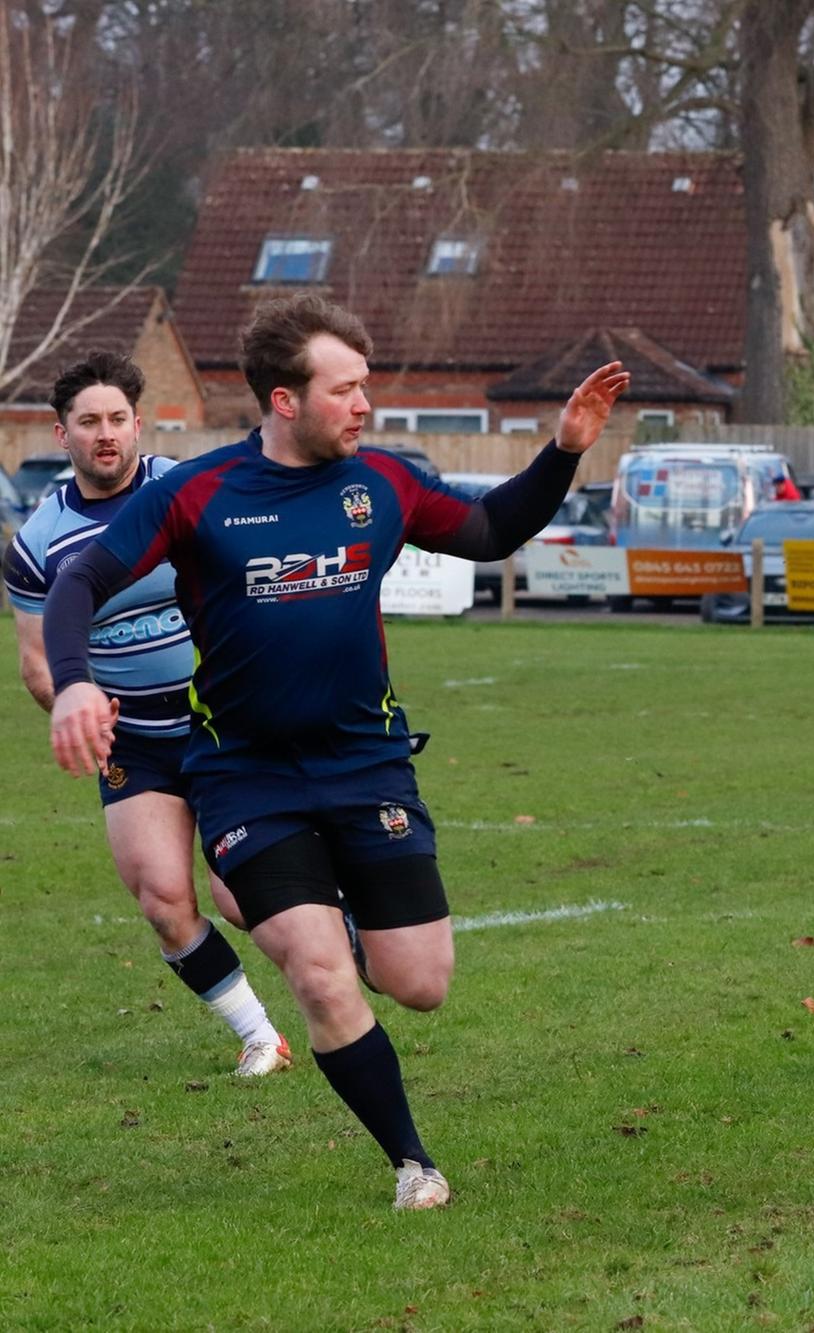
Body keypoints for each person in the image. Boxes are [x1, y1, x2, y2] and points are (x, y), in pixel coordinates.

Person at [41, 295, 629, 1210]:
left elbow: (487, 532)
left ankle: (349, 924)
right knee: (318, 976)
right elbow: (81, 576)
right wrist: (76, 680)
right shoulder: (198, 493)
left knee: (419, 982)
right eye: (345, 389)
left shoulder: (382, 483)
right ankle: (413, 1163)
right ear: (285, 400)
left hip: (366, 764)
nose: (364, 405)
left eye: (365, 386)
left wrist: (564, 450)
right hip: (246, 776)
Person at [4, 352, 290, 1078]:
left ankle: (346, 939)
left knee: (242, 895)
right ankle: (261, 1035)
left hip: (220, 725)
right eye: (88, 422)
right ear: (62, 433)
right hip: (131, 740)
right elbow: (37, 662)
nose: (105, 434)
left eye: (117, 419)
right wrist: (75, 708)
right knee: (164, 902)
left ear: (139, 423)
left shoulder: (188, 491)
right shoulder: (37, 543)